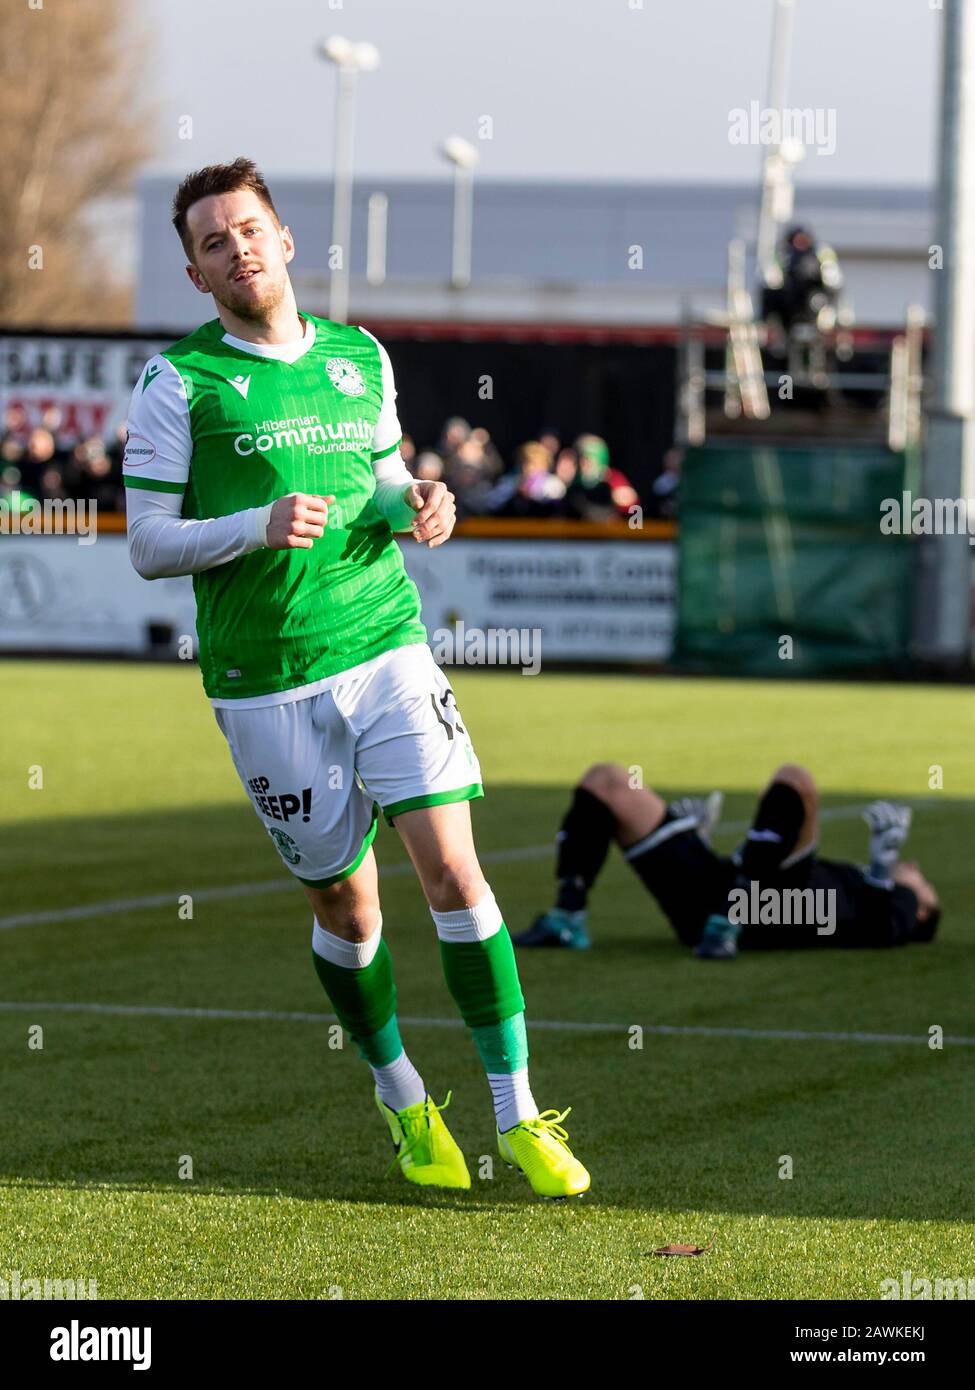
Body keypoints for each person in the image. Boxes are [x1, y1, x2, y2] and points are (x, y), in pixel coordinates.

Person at [122, 157, 589, 1200]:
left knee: (455, 875)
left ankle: (517, 1111)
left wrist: (422, 502)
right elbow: (148, 542)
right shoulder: (178, 383)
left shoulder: (357, 356)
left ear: (285, 241)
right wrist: (253, 526)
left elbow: (380, 482)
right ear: (197, 275)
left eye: (249, 229)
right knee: (347, 905)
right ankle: (403, 1096)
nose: (236, 247)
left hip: (383, 642)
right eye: (211, 241)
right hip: (264, 677)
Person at [516, 761, 940, 956]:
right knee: (606, 781)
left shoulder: (894, 906)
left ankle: (732, 909)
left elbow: (882, 928)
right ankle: (568, 916)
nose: (917, 869)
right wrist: (697, 841)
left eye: (924, 885)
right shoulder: (866, 883)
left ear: (921, 912)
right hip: (720, 903)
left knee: (795, 779)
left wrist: (887, 868)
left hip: (783, 908)